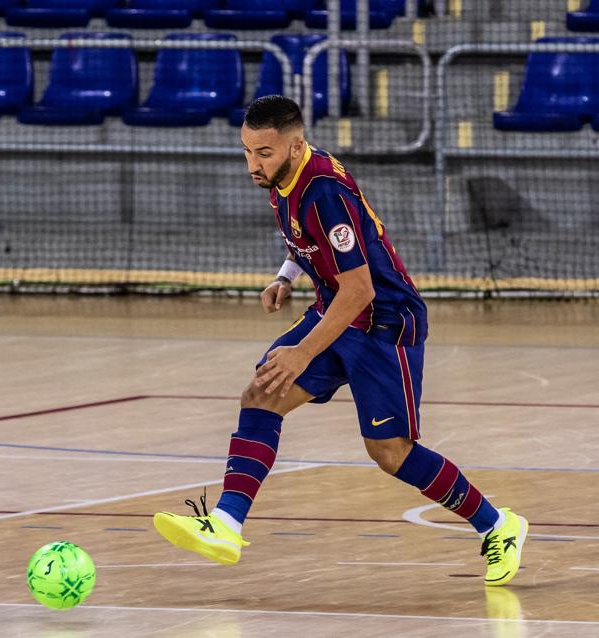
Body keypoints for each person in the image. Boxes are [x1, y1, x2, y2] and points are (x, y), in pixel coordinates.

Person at [153, 95, 528, 586]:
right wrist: (286, 275)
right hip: (339, 310)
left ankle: (499, 525)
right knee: (261, 394)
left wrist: (302, 351)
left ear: (295, 144)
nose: (253, 164)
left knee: (390, 452)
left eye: (263, 153)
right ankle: (225, 523)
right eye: (246, 151)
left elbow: (361, 288)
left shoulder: (323, 189)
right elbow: (306, 240)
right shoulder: (281, 174)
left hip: (385, 323)